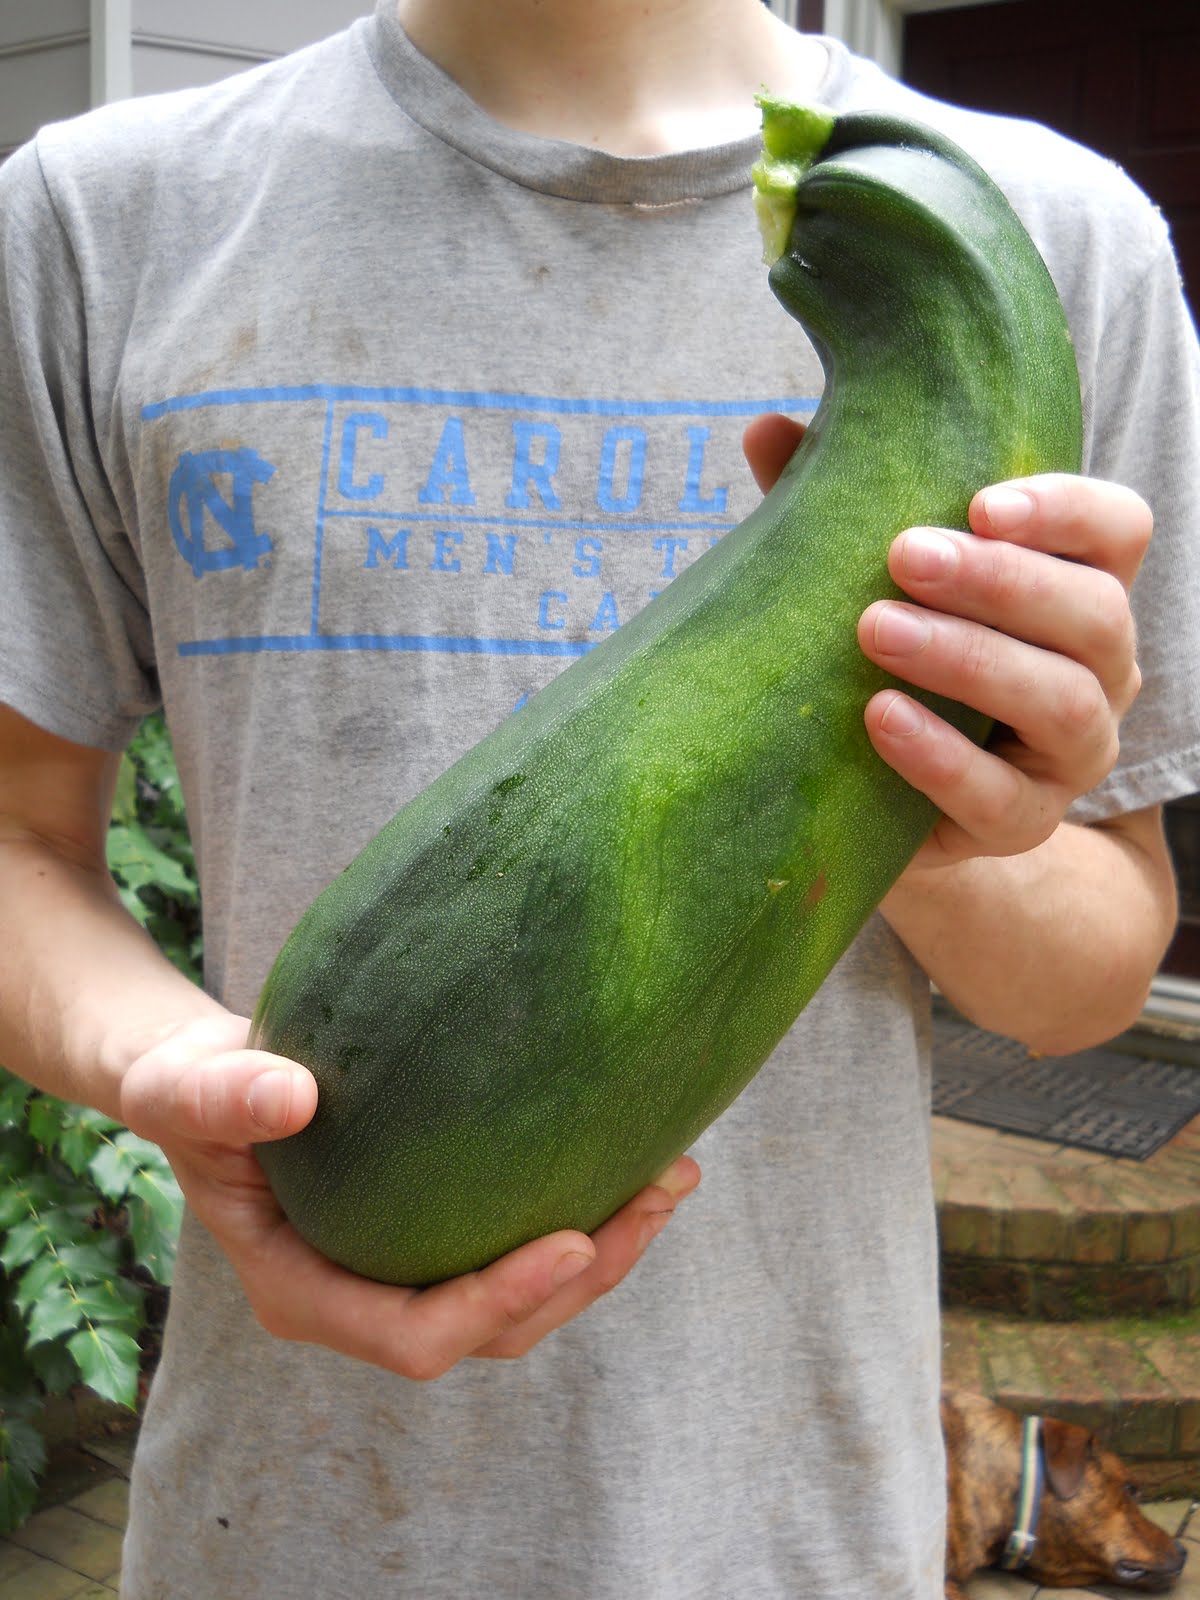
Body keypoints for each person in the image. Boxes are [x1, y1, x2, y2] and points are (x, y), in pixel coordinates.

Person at [0, 0, 1197, 1594]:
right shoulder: (97, 215)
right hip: (283, 1525)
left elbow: (1102, 968)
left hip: (798, 1532)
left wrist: (920, 773)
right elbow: (18, 839)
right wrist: (176, 1073)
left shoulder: (1049, 246)